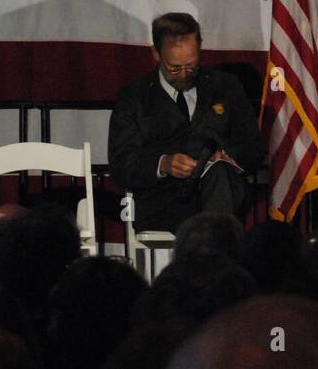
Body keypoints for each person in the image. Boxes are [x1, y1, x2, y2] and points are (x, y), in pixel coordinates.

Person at [108, 13, 265, 232]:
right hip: (163, 201)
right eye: (174, 67)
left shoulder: (226, 87)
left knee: (219, 173)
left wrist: (228, 157)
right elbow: (121, 164)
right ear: (156, 53)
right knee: (218, 219)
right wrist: (163, 164)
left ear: (200, 49)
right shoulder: (134, 97)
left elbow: (253, 148)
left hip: (222, 192)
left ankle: (210, 251)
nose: (184, 74)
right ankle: (215, 255)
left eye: (191, 65)